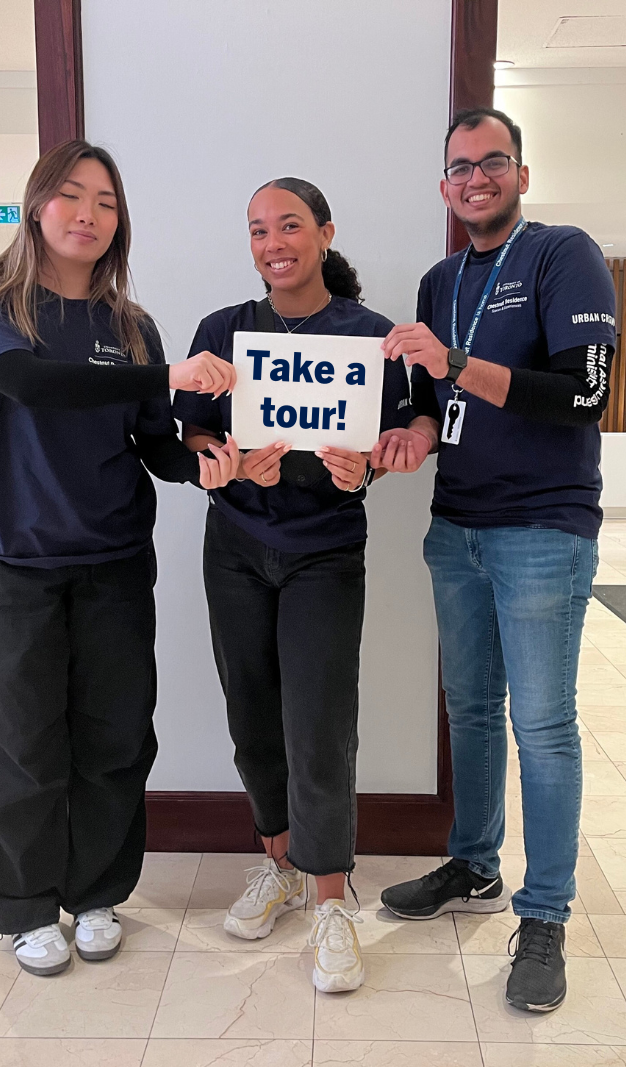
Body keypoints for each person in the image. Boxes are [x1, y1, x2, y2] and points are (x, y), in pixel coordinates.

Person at [0, 139, 239, 977]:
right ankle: (24, 907)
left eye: (106, 202)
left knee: (113, 736)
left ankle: (97, 892)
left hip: (109, 560)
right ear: (37, 206)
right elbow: (32, 385)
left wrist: (208, 460)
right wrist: (164, 374)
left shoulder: (131, 328)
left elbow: (152, 441)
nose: (88, 214)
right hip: (9, 556)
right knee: (21, 740)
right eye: (71, 195)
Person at [374, 107, 615, 1012]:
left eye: (492, 163)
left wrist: (456, 361)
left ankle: (544, 912)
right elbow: (445, 404)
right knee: (471, 710)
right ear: (444, 186)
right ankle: (474, 866)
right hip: (458, 528)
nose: (476, 179)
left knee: (543, 727)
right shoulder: (442, 280)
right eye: (460, 168)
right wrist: (411, 437)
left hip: (542, 530)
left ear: (520, 172)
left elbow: (584, 394)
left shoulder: (563, 254)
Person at [174, 177, 414, 994]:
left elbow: (396, 439)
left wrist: (367, 468)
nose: (273, 243)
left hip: (324, 553)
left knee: (319, 720)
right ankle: (275, 863)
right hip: (236, 545)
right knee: (251, 712)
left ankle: (332, 897)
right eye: (257, 231)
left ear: (323, 233)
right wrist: (225, 459)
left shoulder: (370, 337)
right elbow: (193, 430)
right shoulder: (223, 331)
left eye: (289, 226)